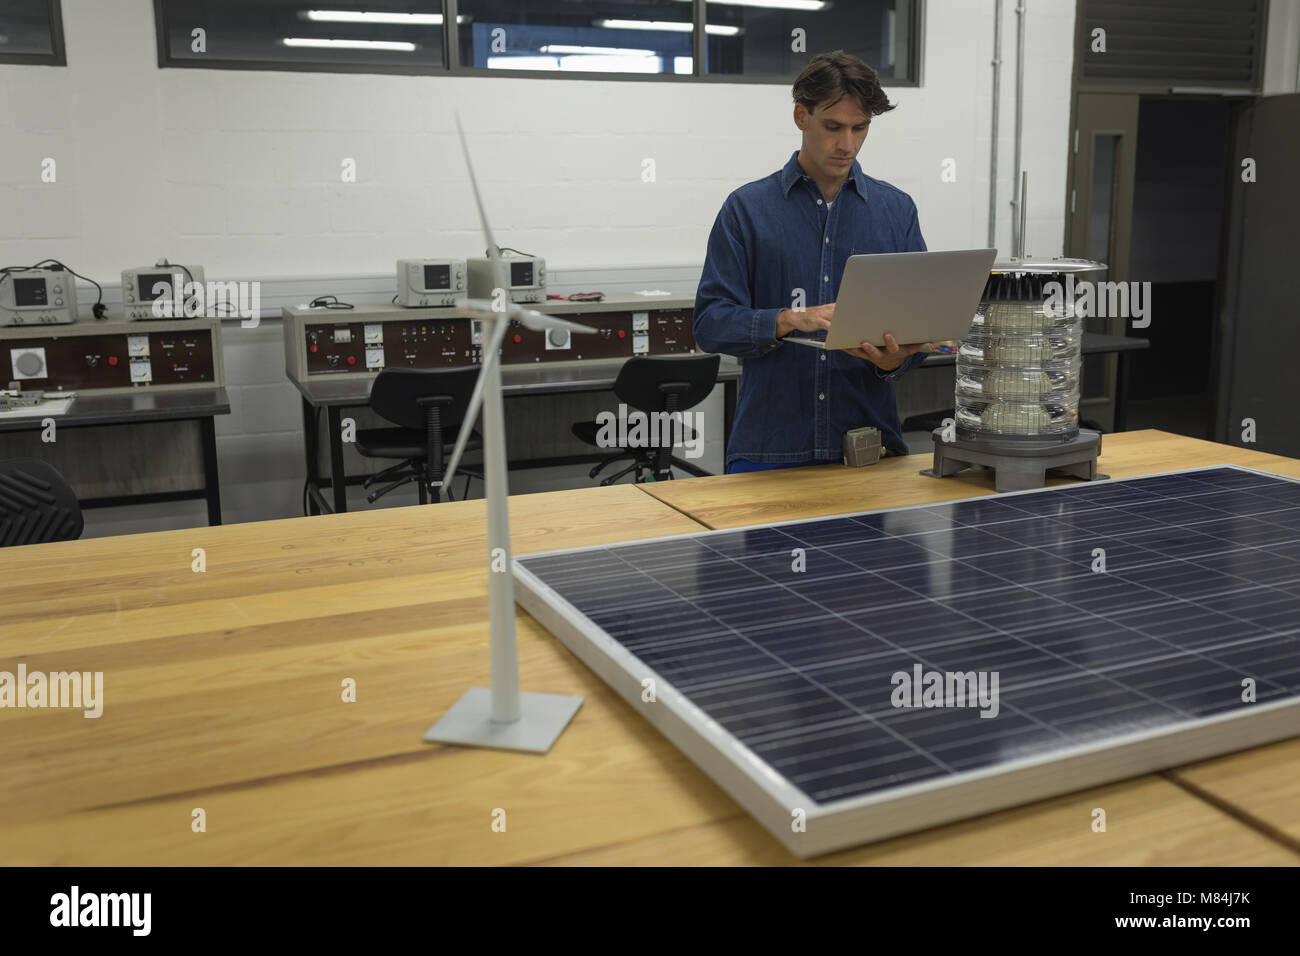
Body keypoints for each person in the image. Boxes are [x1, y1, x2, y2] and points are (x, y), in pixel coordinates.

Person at [694, 49, 935, 474]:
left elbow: (919, 329)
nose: (848, 145)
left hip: (868, 452)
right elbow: (711, 324)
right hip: (769, 451)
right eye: (833, 127)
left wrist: (895, 361)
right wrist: (788, 319)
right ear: (800, 116)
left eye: (860, 128)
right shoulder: (745, 211)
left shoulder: (897, 211)